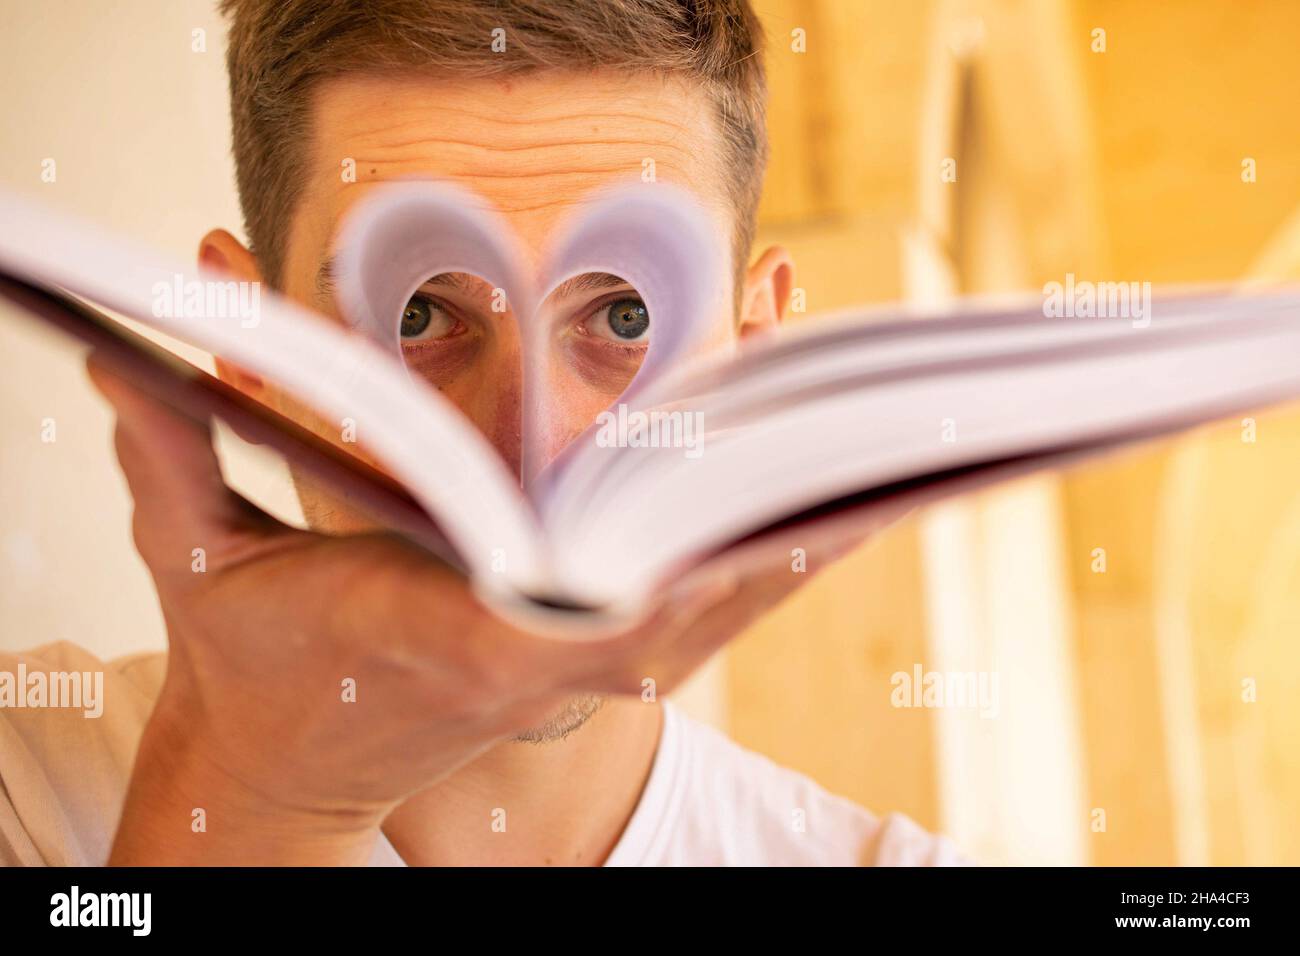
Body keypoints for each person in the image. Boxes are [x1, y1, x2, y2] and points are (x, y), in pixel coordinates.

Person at [0, 0, 966, 867]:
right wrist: (253, 814)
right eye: (420, 313)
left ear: (753, 346)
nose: (526, 458)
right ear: (249, 341)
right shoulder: (27, 780)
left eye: (625, 317)